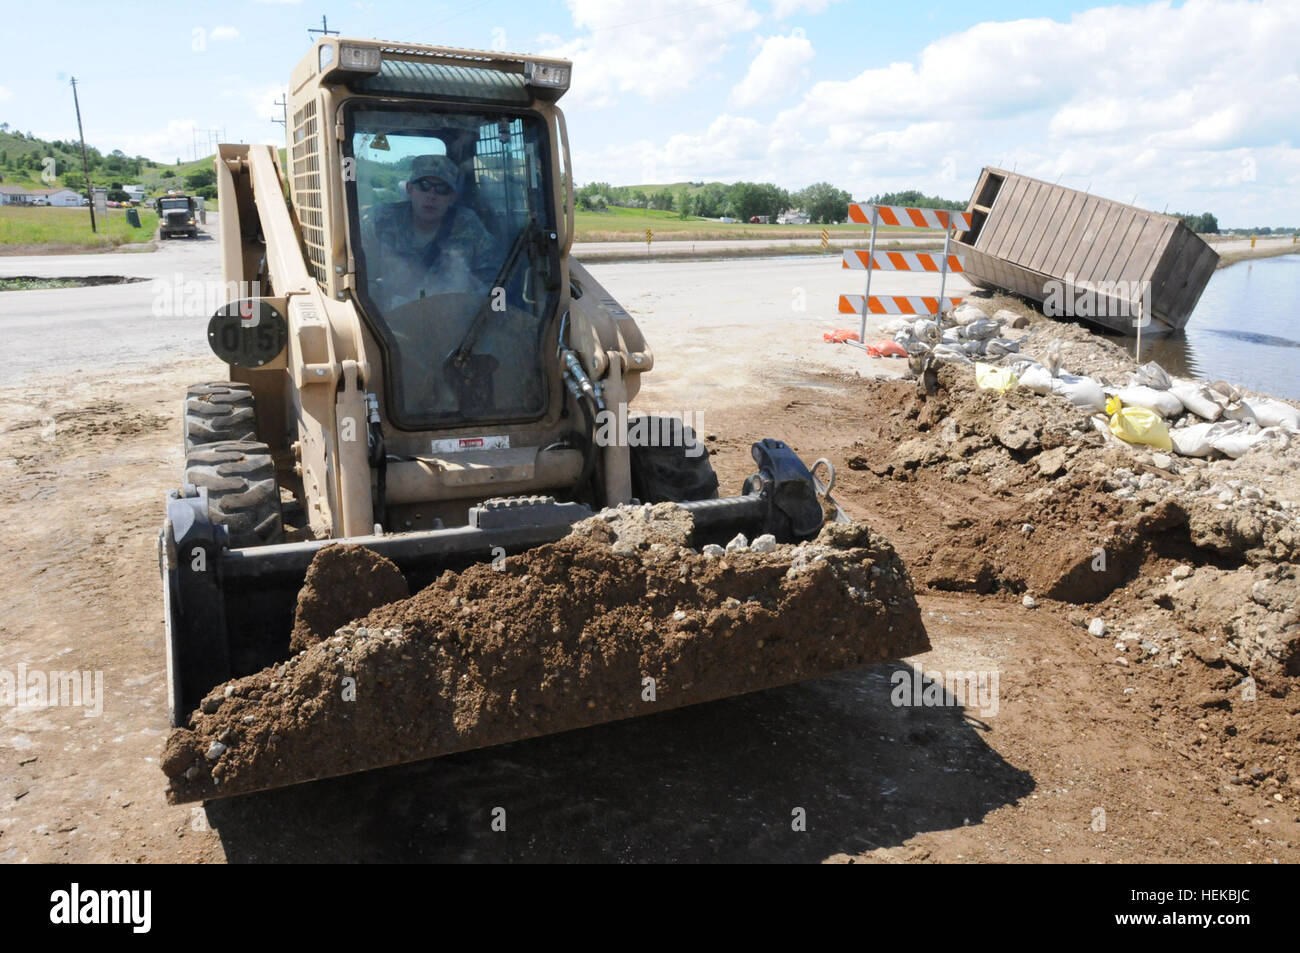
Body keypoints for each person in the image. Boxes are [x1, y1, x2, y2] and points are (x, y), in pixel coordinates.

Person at [361, 154, 495, 312]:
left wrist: (470, 305)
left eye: (442, 189)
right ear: (410, 189)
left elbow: (493, 277)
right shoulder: (380, 221)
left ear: (452, 197)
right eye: (424, 186)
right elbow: (359, 274)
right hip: (388, 323)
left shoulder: (468, 226)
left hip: (453, 320)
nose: (431, 196)